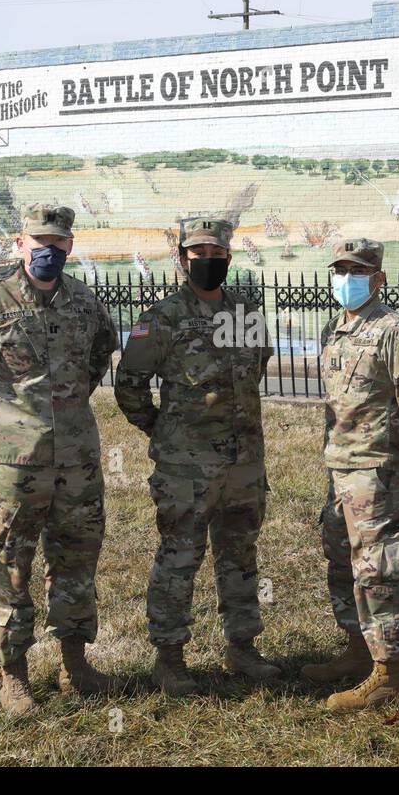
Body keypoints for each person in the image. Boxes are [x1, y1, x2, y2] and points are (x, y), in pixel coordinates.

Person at [0, 203, 118, 716]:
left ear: (70, 246)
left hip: (76, 461)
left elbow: (100, 356)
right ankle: (13, 676)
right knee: (11, 564)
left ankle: (74, 665)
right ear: (20, 244)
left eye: (57, 243)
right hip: (12, 467)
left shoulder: (86, 304)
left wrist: (66, 406)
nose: (47, 251)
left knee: (77, 561)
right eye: (38, 241)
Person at [114, 218, 278, 696]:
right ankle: (170, 658)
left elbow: (256, 369)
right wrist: (161, 428)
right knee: (179, 556)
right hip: (185, 466)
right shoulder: (162, 318)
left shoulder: (248, 314)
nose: (207, 260)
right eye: (197, 252)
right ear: (181, 259)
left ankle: (242, 647)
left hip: (244, 462)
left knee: (240, 554)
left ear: (228, 257)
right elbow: (129, 384)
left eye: (216, 252)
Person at [303, 238, 399, 713]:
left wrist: (395, 456)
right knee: (343, 561)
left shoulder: (395, 329)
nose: (346, 278)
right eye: (339, 269)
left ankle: (389, 675)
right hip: (339, 468)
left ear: (378, 278)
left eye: (356, 270)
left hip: (377, 473)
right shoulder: (334, 330)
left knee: (381, 571)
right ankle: (357, 651)